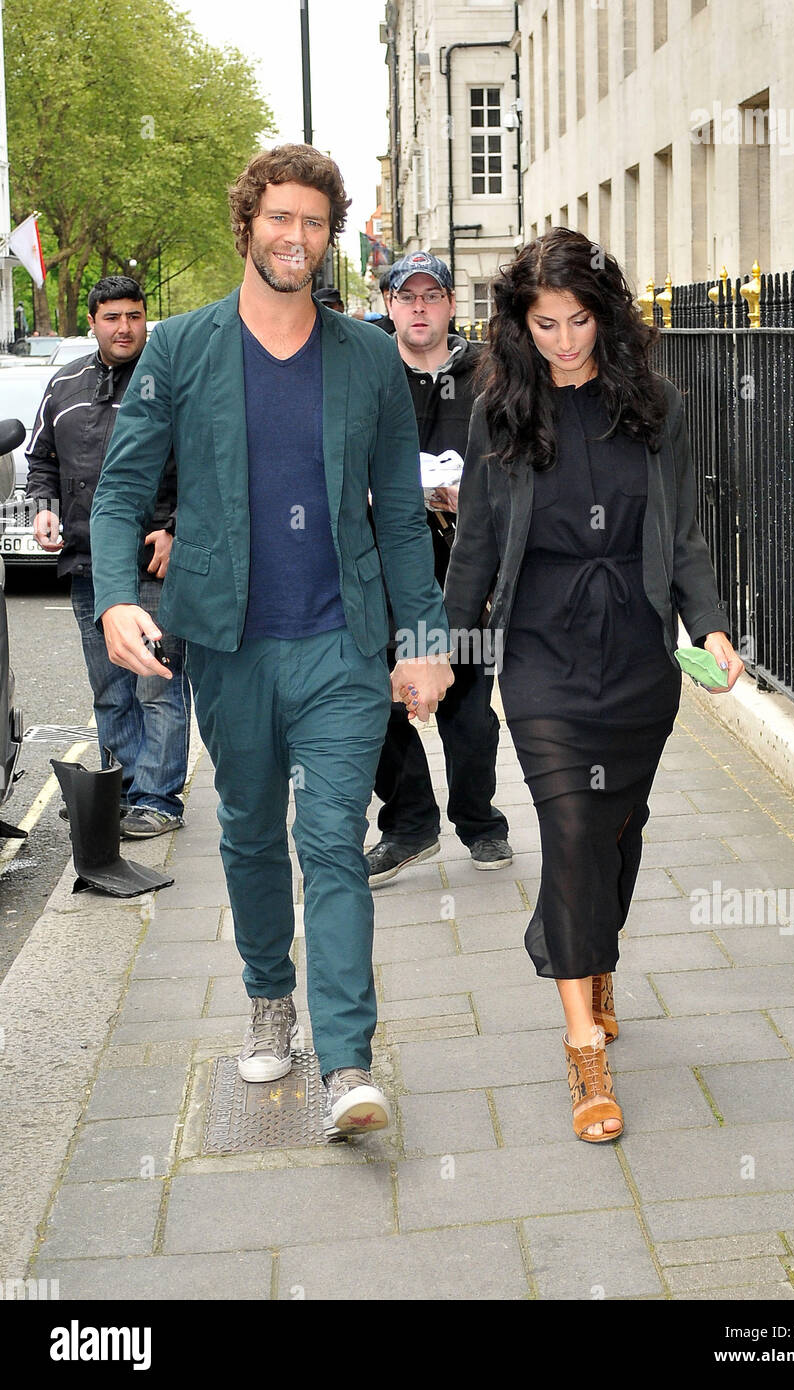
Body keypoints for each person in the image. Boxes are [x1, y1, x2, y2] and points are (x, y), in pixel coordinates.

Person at [90, 145, 453, 1137]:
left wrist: (419, 639)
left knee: (329, 839)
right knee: (249, 833)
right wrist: (119, 595)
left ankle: (345, 1063)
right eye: (279, 218)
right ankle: (267, 998)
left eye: (314, 222)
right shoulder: (182, 350)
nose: (296, 238)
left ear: (329, 236)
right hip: (229, 645)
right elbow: (123, 491)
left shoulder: (368, 357)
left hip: (341, 644)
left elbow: (397, 520)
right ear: (248, 224)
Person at [442, 229, 744, 1143]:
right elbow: (478, 546)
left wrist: (712, 629)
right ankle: (583, 1049)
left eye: (578, 320)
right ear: (519, 324)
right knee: (571, 826)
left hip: (637, 650)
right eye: (545, 322)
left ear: (603, 318)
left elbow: (683, 534)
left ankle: (586, 948)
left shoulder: (654, 406)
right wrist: (442, 649)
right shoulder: (499, 412)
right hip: (540, 650)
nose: (563, 339)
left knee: (615, 830)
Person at [365, 250, 512, 885]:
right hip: (383, 563)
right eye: (407, 297)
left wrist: (479, 495)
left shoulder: (490, 373)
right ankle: (407, 825)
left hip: (465, 566)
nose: (419, 307)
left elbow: (520, 458)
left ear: (451, 304)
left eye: (431, 296)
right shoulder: (369, 370)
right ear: (390, 305)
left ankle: (479, 822)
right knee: (378, 702)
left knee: (469, 709)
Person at [25, 275, 190, 839]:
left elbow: (203, 467)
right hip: (86, 563)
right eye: (112, 317)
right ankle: (119, 791)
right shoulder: (63, 384)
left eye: (135, 316)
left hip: (150, 561)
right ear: (91, 322)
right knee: (110, 688)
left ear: (147, 318)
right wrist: (44, 508)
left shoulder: (172, 381)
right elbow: (42, 462)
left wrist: (173, 528)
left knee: (157, 683)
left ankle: (159, 799)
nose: (125, 327)